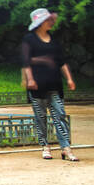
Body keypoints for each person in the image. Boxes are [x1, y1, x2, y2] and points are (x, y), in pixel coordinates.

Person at [19, 8, 78, 161]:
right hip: (37, 86)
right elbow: (25, 62)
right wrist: (30, 79)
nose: (50, 23)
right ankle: (45, 146)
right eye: (46, 20)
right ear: (39, 23)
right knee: (41, 118)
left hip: (54, 85)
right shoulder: (29, 39)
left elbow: (61, 62)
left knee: (60, 116)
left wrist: (69, 79)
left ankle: (66, 147)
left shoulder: (54, 41)